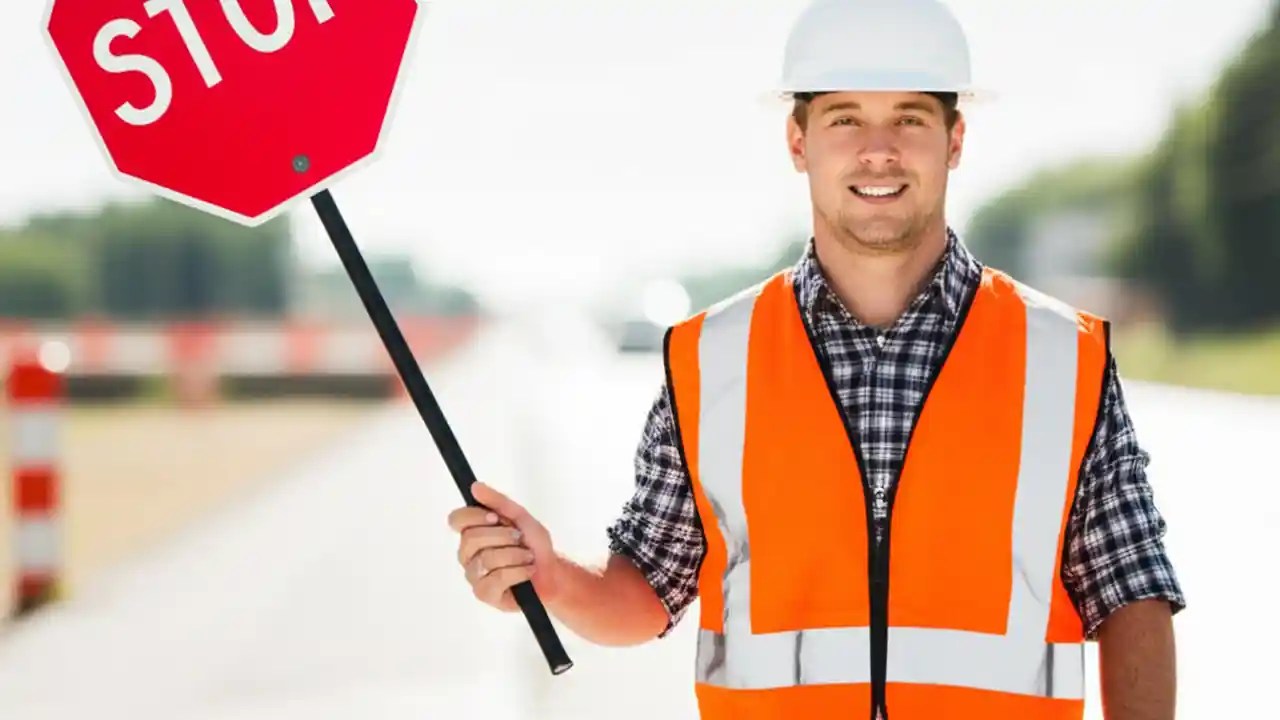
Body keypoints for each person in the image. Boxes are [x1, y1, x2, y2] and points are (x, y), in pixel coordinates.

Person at [448, 0, 1185, 717]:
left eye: (910, 118)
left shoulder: (1063, 358)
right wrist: (549, 578)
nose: (878, 149)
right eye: (844, 119)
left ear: (955, 139)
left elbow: (1132, 594)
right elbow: (646, 591)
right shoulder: (711, 360)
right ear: (797, 141)